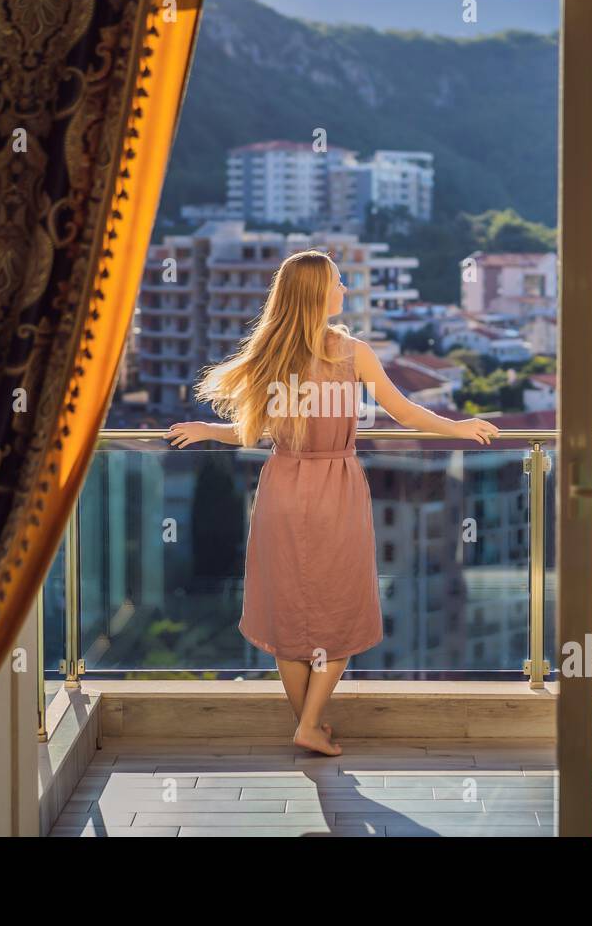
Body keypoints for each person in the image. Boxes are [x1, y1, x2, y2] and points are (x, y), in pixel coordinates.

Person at [165, 250, 498, 755]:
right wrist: (458, 427)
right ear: (320, 293)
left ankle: (309, 724)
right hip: (335, 487)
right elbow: (404, 413)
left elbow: (253, 432)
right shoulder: (352, 353)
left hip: (280, 488)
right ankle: (310, 724)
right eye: (339, 282)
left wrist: (207, 430)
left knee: (286, 612)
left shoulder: (271, 354)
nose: (345, 289)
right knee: (341, 610)